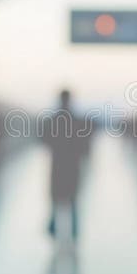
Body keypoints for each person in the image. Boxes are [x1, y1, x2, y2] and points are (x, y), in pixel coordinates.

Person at [43, 90, 89, 241]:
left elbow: (44, 139)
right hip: (72, 165)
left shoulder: (52, 120)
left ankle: (53, 227)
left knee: (56, 196)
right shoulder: (77, 120)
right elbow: (83, 145)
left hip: (57, 163)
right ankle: (74, 231)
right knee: (72, 197)